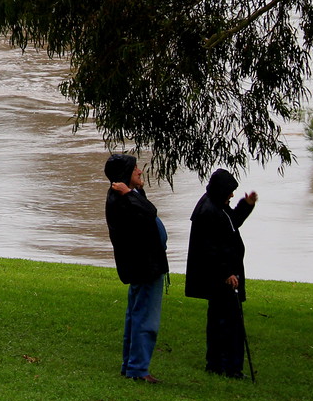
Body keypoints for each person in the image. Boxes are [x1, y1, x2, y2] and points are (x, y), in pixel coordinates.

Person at [185, 168, 259, 378]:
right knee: (229, 323)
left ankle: (218, 364)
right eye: (229, 191)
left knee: (222, 320)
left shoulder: (218, 205)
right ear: (221, 190)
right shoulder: (209, 211)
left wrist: (246, 205)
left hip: (225, 275)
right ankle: (229, 367)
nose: (232, 195)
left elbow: (232, 221)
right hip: (223, 278)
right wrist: (227, 273)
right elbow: (210, 248)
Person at [104, 153, 170, 383]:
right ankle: (138, 369)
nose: (140, 172)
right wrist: (130, 193)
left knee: (136, 315)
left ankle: (131, 365)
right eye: (135, 170)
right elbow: (150, 212)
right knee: (145, 319)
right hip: (144, 266)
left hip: (146, 265)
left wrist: (132, 192)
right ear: (125, 176)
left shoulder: (129, 195)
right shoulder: (122, 199)